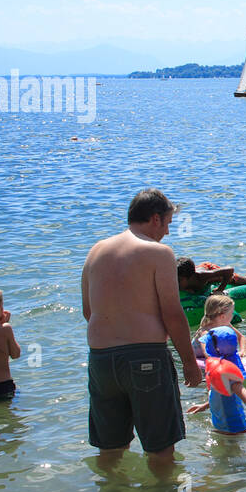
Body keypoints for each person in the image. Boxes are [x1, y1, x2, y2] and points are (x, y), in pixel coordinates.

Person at [81, 188, 202, 472]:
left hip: (100, 360)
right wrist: (189, 363)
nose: (168, 233)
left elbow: (89, 311)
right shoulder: (158, 252)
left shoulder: (95, 250)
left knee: (109, 449)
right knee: (160, 450)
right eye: (169, 224)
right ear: (156, 219)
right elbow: (172, 313)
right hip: (144, 357)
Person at [185, 326, 246, 435]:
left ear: (217, 349)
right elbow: (219, 393)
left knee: (232, 450)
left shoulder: (226, 372)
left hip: (233, 427)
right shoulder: (219, 367)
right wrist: (204, 406)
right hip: (224, 424)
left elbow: (238, 387)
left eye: (208, 343)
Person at [176, 258, 246, 296]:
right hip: (196, 271)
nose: (176, 282)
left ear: (189, 277)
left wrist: (220, 289)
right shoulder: (178, 277)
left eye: (179, 280)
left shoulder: (202, 276)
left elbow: (229, 270)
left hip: (211, 269)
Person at [192, 294, 246, 360]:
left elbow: (241, 337)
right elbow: (207, 352)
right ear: (223, 316)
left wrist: (243, 351)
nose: (233, 315)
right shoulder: (205, 331)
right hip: (198, 357)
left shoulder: (226, 324)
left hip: (213, 353)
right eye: (232, 313)